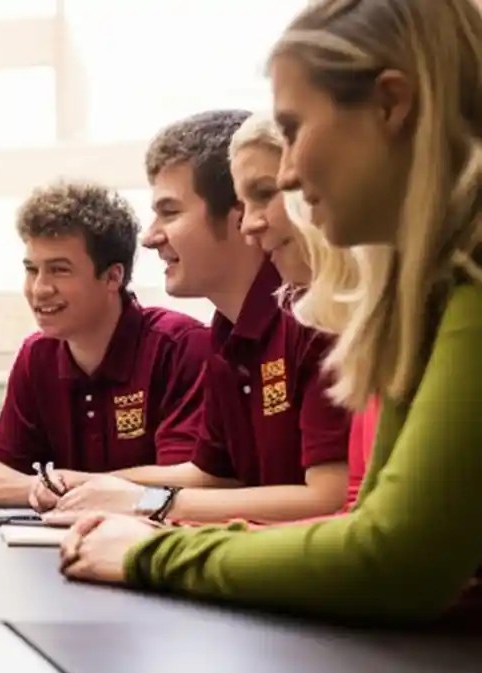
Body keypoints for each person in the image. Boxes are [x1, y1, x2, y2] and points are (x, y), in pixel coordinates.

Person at [60, 0, 482, 624]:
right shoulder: (426, 297)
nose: (289, 176)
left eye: (295, 129)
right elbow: (366, 522)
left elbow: (393, 555)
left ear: (392, 106)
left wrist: (157, 548)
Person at [35, 109, 352, 525]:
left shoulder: (314, 315)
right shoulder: (226, 332)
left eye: (169, 212)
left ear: (240, 215)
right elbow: (213, 476)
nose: (149, 237)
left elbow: (331, 498)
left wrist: (148, 503)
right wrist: (88, 486)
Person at [0, 181, 209, 507]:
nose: (40, 289)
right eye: (32, 270)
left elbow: (185, 480)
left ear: (113, 277)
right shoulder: (37, 355)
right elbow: (4, 475)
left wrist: (46, 487)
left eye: (59, 270)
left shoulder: (181, 347)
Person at [229, 112, 376, 510]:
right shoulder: (345, 317)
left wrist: (159, 522)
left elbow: (347, 515)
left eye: (265, 192)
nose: (248, 226)